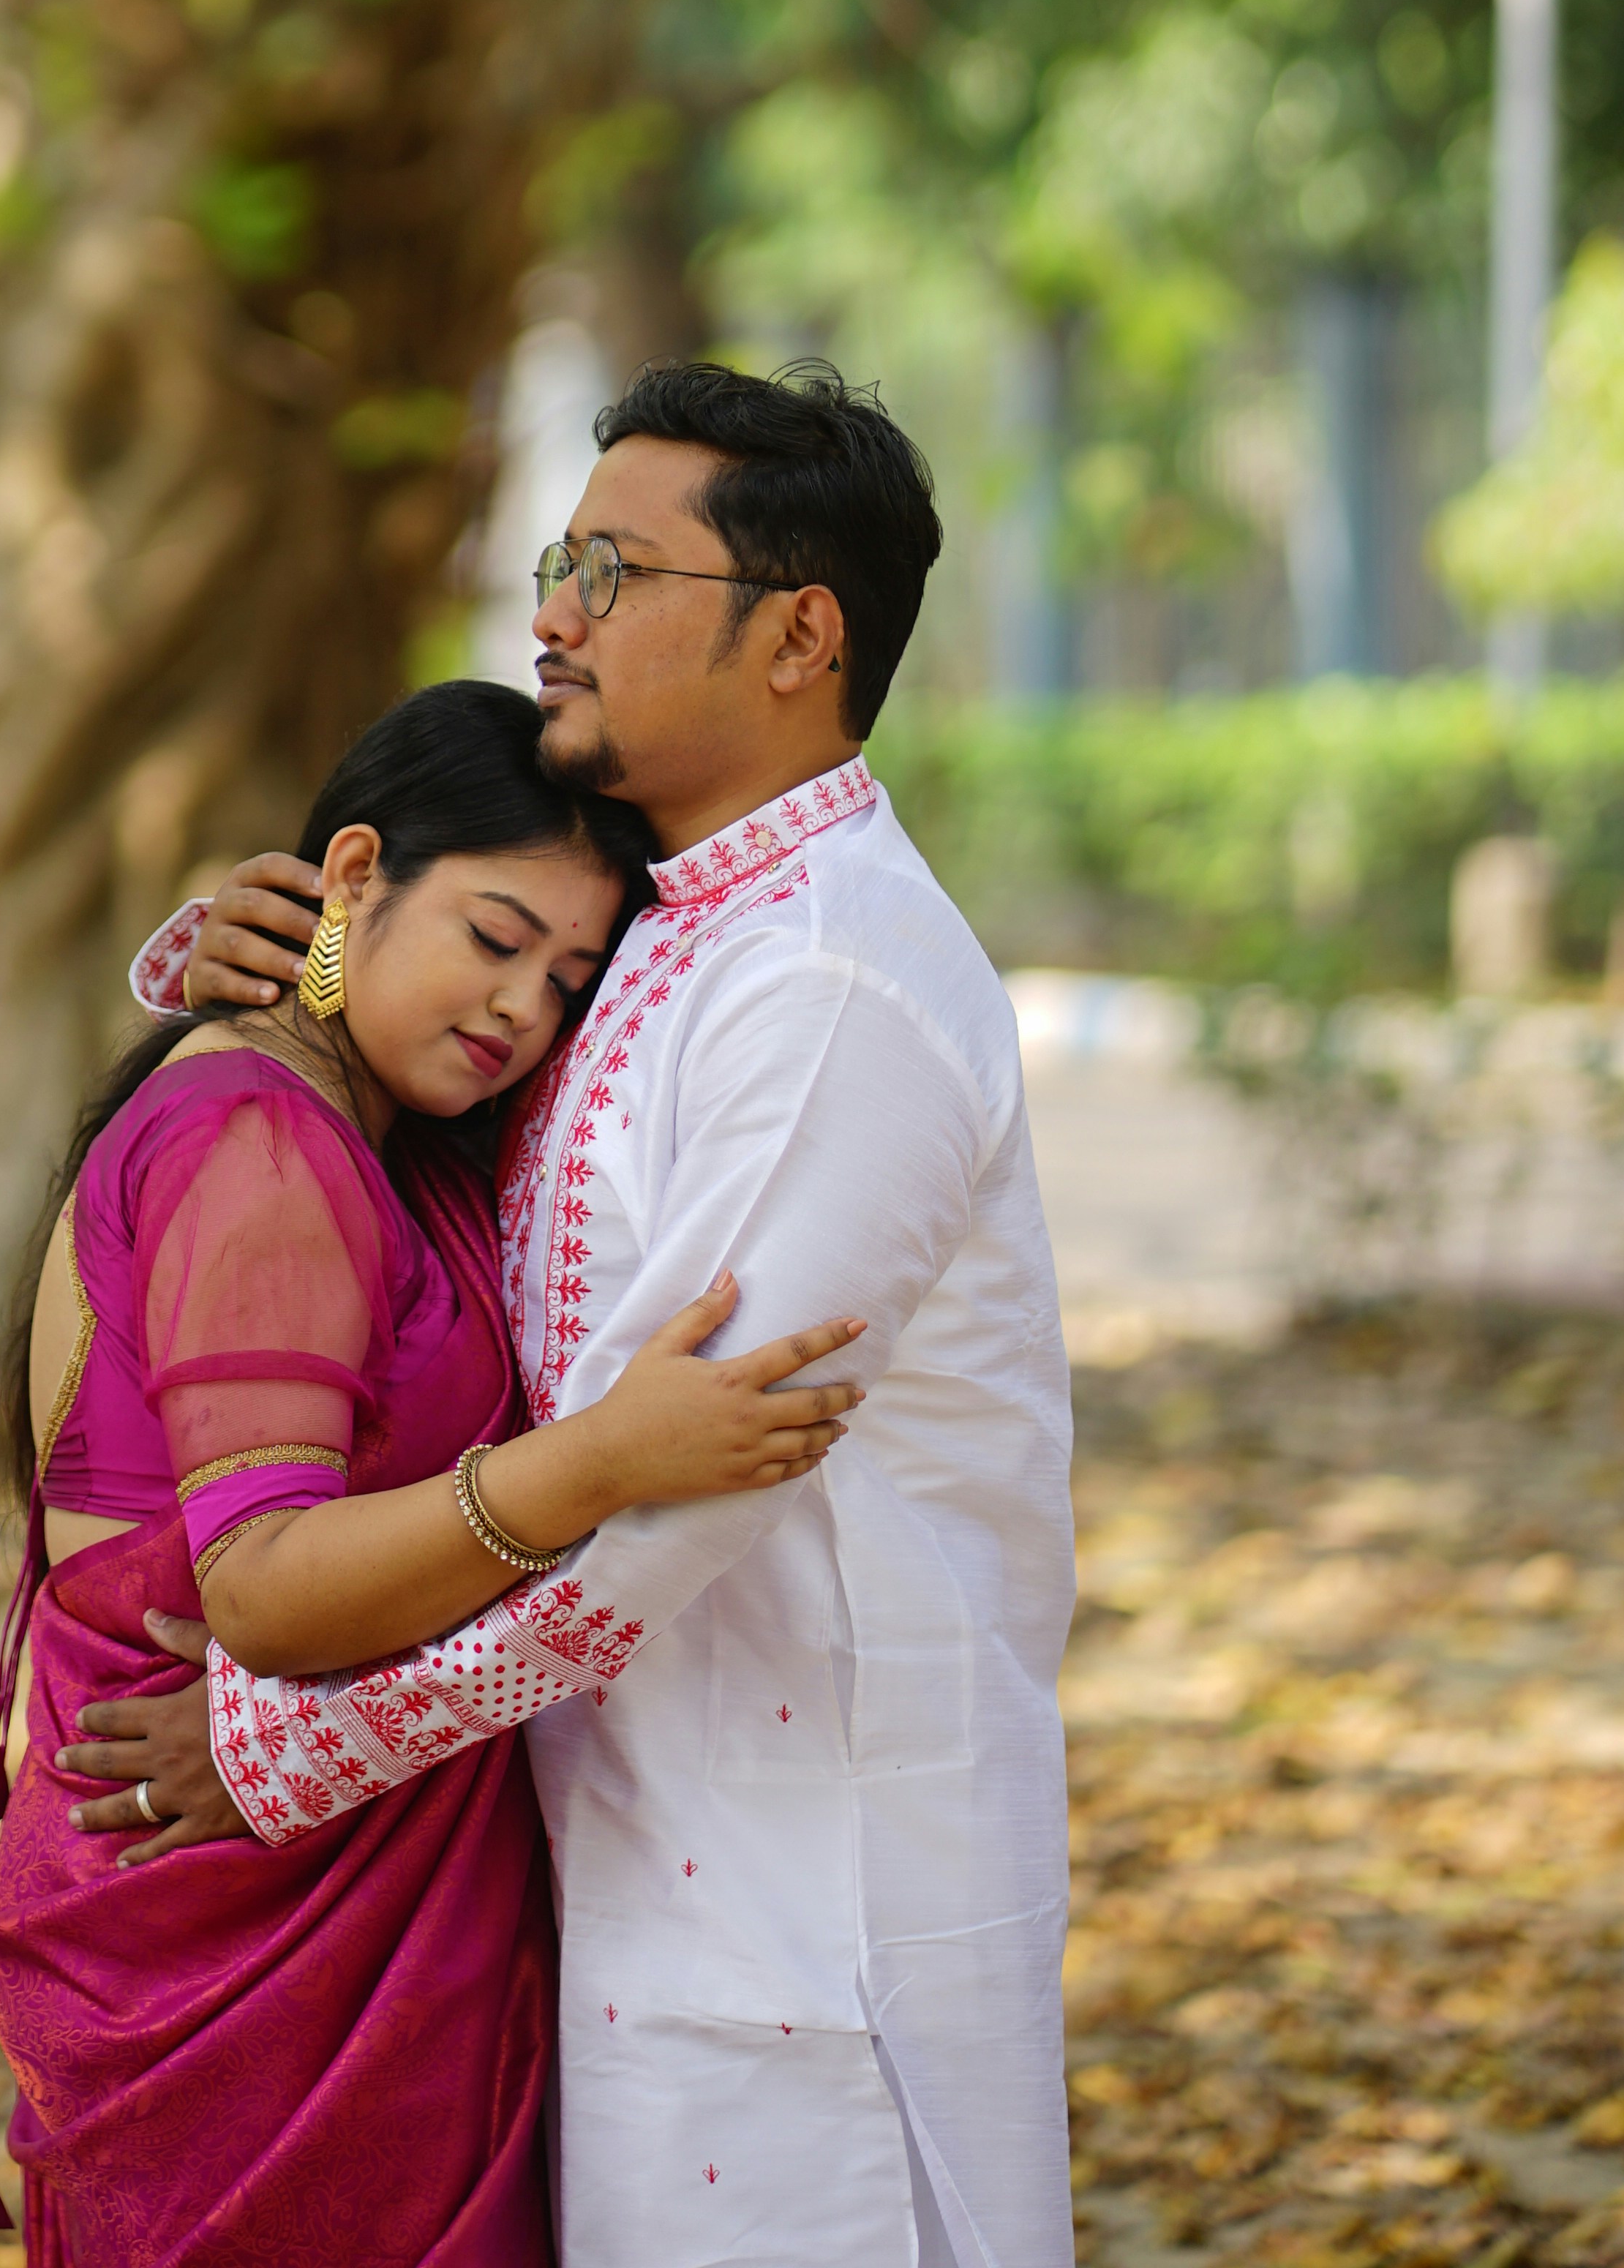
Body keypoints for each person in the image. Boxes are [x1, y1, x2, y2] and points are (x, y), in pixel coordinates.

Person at [64, 361, 1077, 2268]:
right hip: (605, 1871)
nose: (551, 615)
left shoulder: (832, 988)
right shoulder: (657, 921)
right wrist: (250, 987)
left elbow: (674, 1507)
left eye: (613, 573)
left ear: (798, 636)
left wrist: (282, 1754)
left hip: (803, 1909)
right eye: (560, 561)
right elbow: (438, 1182)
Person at [0, 675, 865, 2264]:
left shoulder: (359, 1120)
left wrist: (253, 950)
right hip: (222, 1921)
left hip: (340, 1886)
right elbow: (269, 1596)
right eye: (494, 937)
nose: (522, 1008)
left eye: (570, 978)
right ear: (356, 873)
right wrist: (601, 1462)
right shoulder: (261, 1143)